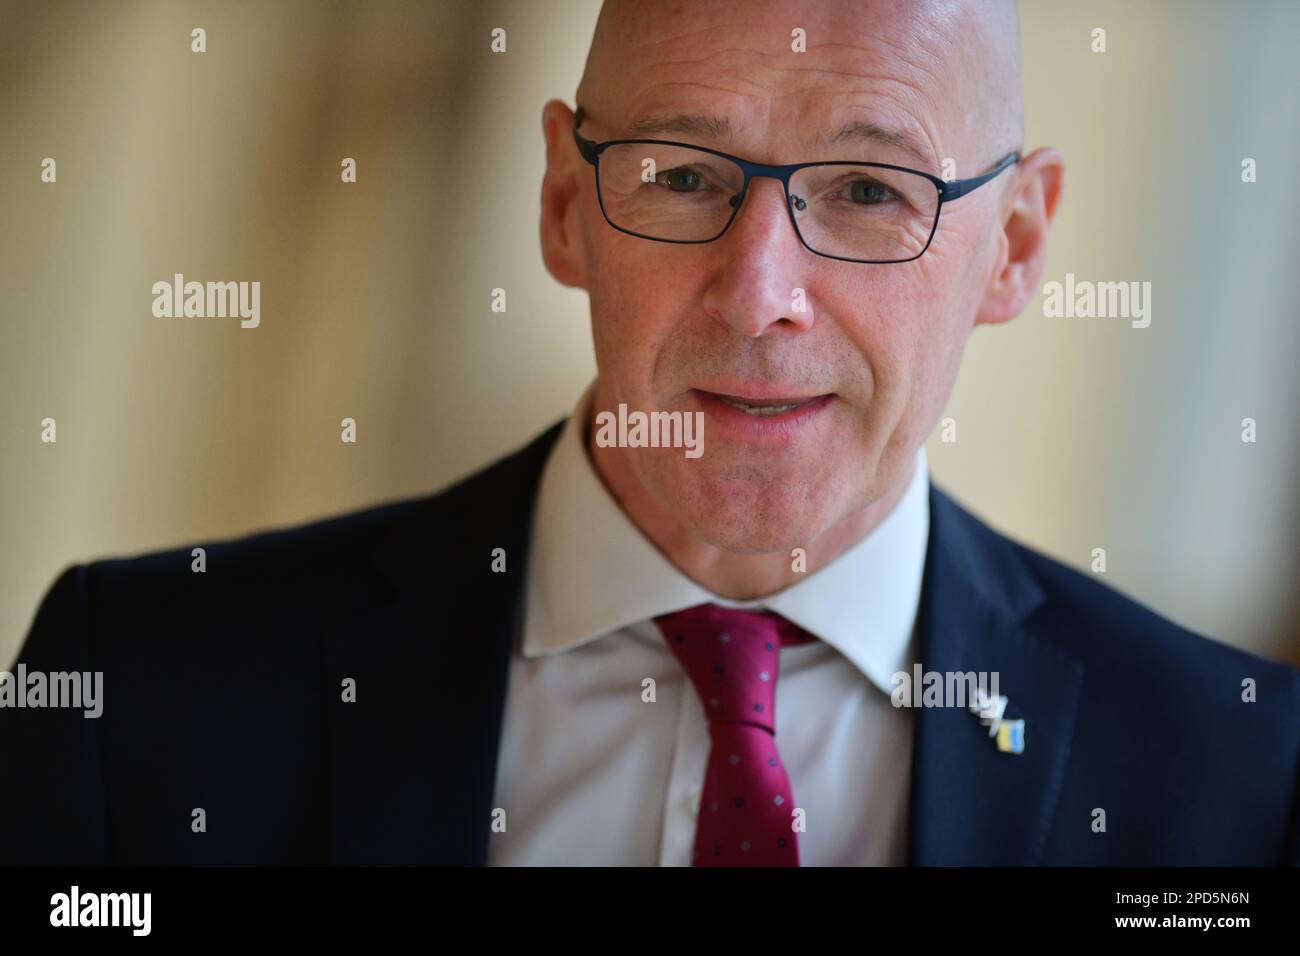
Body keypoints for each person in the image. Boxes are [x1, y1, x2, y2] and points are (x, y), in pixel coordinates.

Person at [3, 0, 1297, 866]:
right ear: (566, 204)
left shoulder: (1240, 781)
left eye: (863, 191)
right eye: (682, 176)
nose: (759, 294)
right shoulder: (139, 692)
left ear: (1013, 246)